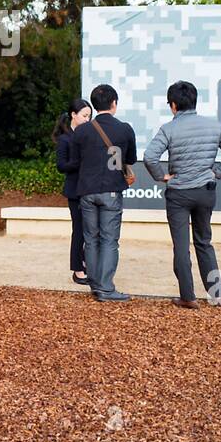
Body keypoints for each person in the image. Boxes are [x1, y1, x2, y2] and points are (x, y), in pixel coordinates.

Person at [144, 80, 221, 308]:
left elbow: (150, 157)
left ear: (174, 105)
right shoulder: (213, 126)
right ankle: (217, 294)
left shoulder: (168, 128)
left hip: (179, 193)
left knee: (181, 245)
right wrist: (216, 172)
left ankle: (188, 297)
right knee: (204, 241)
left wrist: (162, 176)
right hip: (205, 191)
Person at [67, 83, 137, 302]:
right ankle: (106, 288)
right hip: (111, 191)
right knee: (109, 240)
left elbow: (76, 161)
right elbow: (130, 159)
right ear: (114, 104)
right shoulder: (124, 129)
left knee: (91, 238)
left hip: (86, 191)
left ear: (95, 106)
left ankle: (96, 284)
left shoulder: (82, 131)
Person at [53, 98, 92, 285]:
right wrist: (80, 162)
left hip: (88, 189)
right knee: (79, 231)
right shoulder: (65, 139)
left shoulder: (86, 135)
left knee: (88, 230)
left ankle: (85, 263)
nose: (87, 119)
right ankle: (77, 269)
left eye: (89, 116)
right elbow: (61, 166)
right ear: (73, 115)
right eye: (84, 116)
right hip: (75, 191)